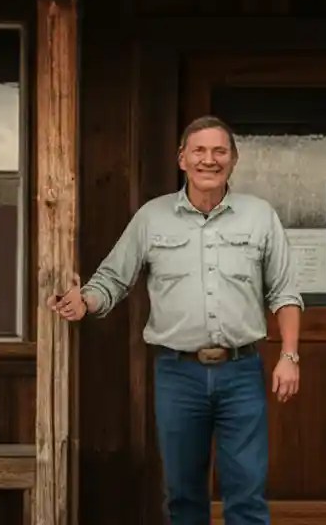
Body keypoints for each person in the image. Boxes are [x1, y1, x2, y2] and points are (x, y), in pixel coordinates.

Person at [50, 114, 303, 525]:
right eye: (199, 151)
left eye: (219, 151)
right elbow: (113, 278)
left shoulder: (260, 216)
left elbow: (285, 292)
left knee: (247, 495)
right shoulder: (153, 217)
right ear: (181, 158)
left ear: (233, 160)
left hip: (241, 372)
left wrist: (289, 356)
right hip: (177, 374)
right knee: (183, 496)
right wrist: (85, 302)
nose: (209, 160)